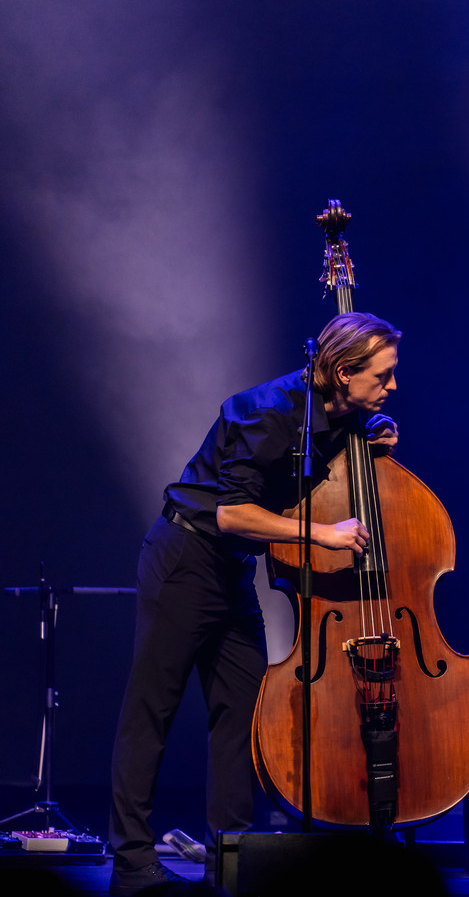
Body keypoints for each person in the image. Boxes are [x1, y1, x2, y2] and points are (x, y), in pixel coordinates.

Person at [108, 312, 401, 895]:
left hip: (231, 569)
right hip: (186, 558)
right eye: (384, 376)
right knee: (152, 713)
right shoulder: (267, 411)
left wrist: (369, 433)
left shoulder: (340, 413)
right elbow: (230, 513)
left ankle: (230, 853)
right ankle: (131, 861)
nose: (392, 386)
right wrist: (322, 534)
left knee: (239, 713)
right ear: (344, 372)